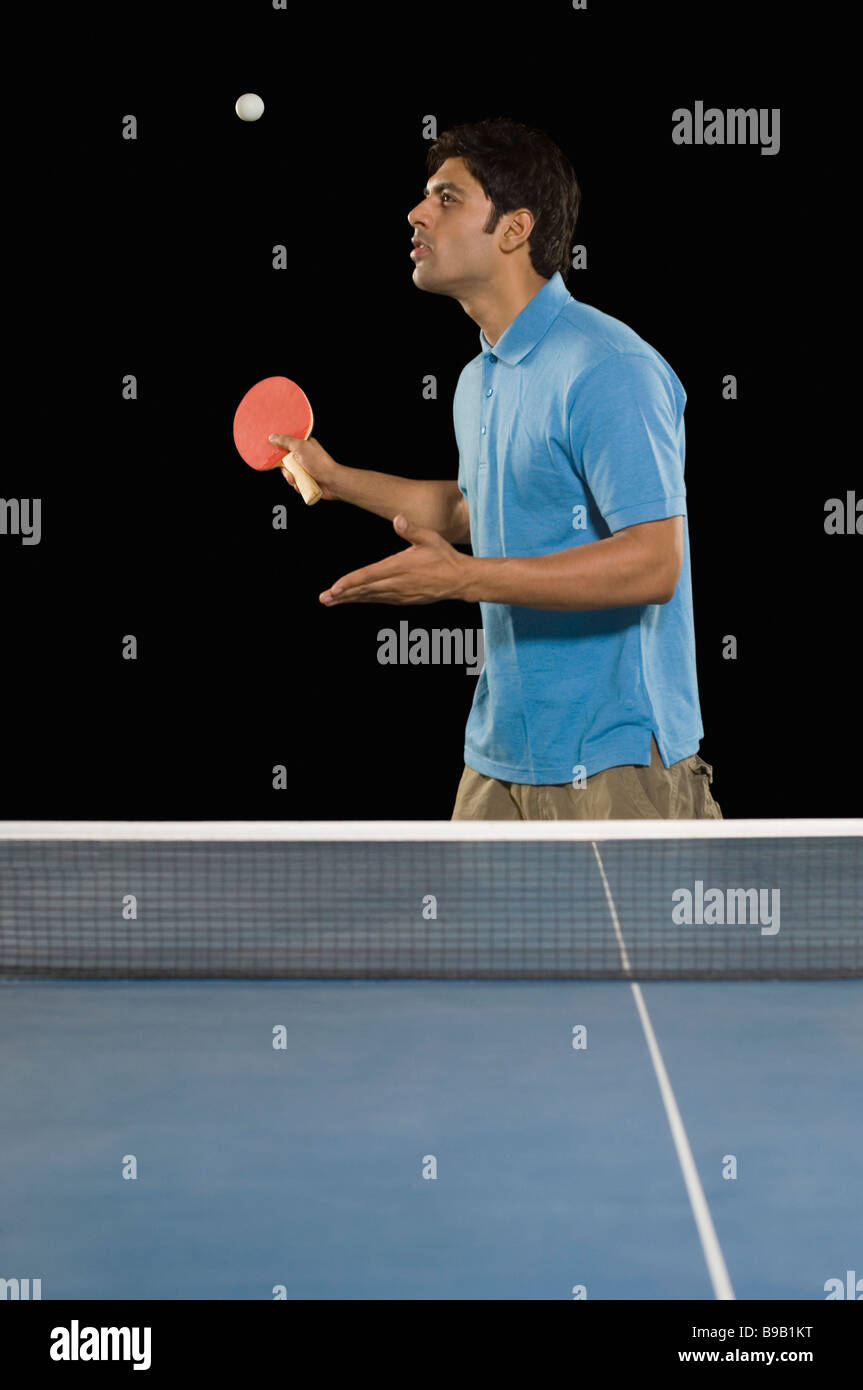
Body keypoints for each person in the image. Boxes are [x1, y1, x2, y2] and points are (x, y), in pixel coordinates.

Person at [269, 117, 722, 821]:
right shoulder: (478, 378)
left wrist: (460, 578)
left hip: (614, 760)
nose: (417, 212)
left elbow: (652, 565)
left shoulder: (608, 366)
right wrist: (332, 477)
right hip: (499, 756)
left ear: (514, 229)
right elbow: (469, 511)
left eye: (446, 198)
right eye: (425, 196)